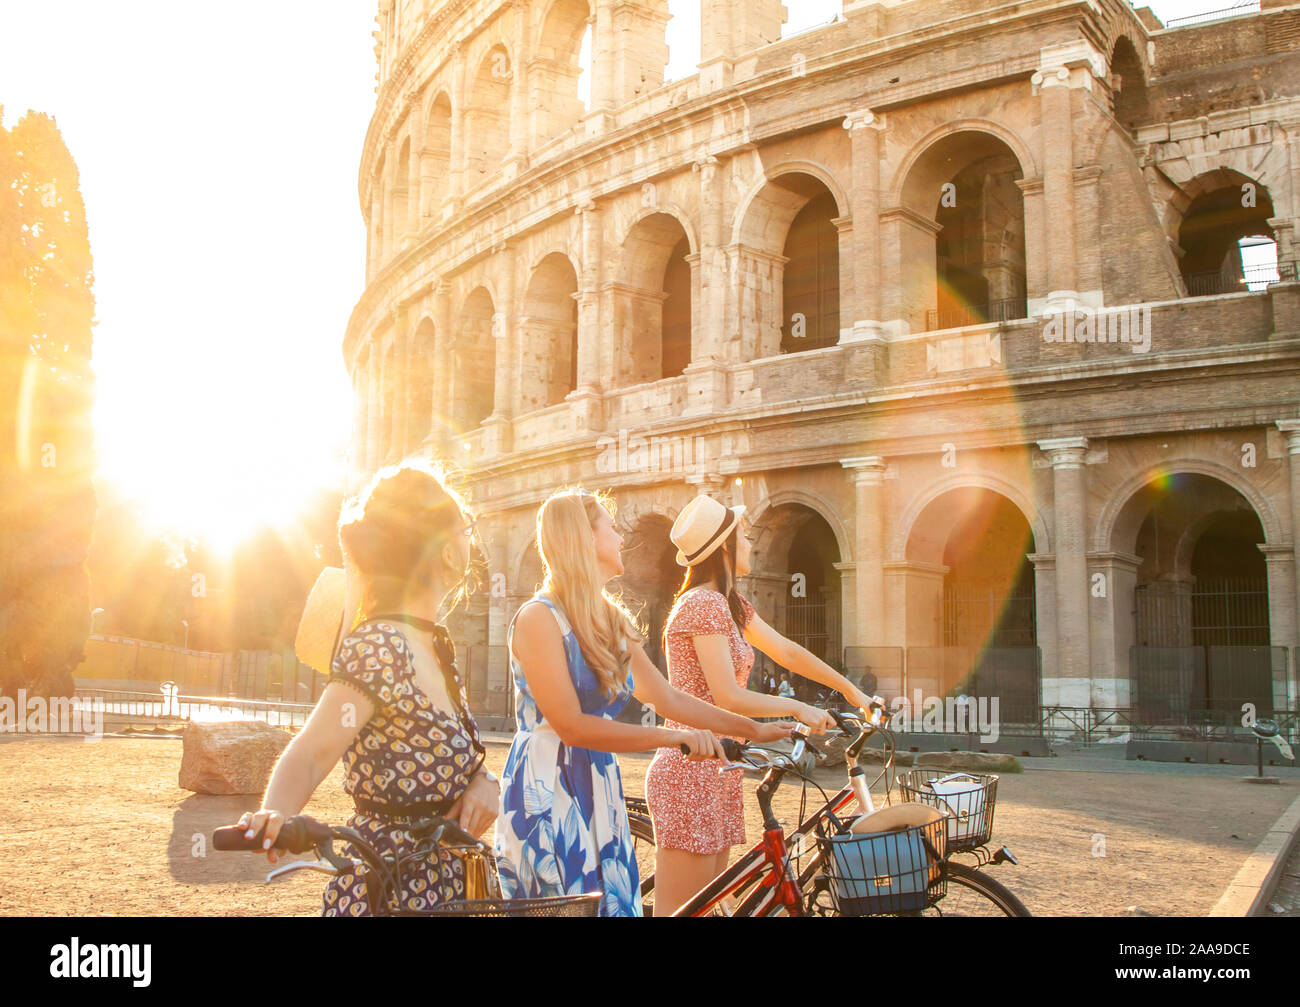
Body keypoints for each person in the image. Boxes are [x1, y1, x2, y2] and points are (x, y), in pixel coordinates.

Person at [493, 488, 793, 917]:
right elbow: (571, 726)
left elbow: (666, 696)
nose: (621, 538)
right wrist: (674, 740)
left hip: (597, 779)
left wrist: (754, 728)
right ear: (585, 539)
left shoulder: (611, 618)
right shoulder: (539, 617)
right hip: (547, 783)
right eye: (610, 528)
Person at [237, 462, 498, 916]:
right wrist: (275, 814)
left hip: (447, 881)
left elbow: (449, 756)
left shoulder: (433, 644)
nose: (469, 540)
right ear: (444, 551)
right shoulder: (381, 645)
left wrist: (483, 781)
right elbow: (315, 749)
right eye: (465, 528)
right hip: (394, 884)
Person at [645, 494, 877, 916]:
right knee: (681, 912)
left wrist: (851, 691)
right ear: (726, 548)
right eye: (744, 536)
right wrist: (796, 708)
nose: (752, 543)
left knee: (707, 907)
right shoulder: (701, 604)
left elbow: (788, 652)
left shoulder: (731, 605)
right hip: (690, 768)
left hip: (718, 765)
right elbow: (727, 696)